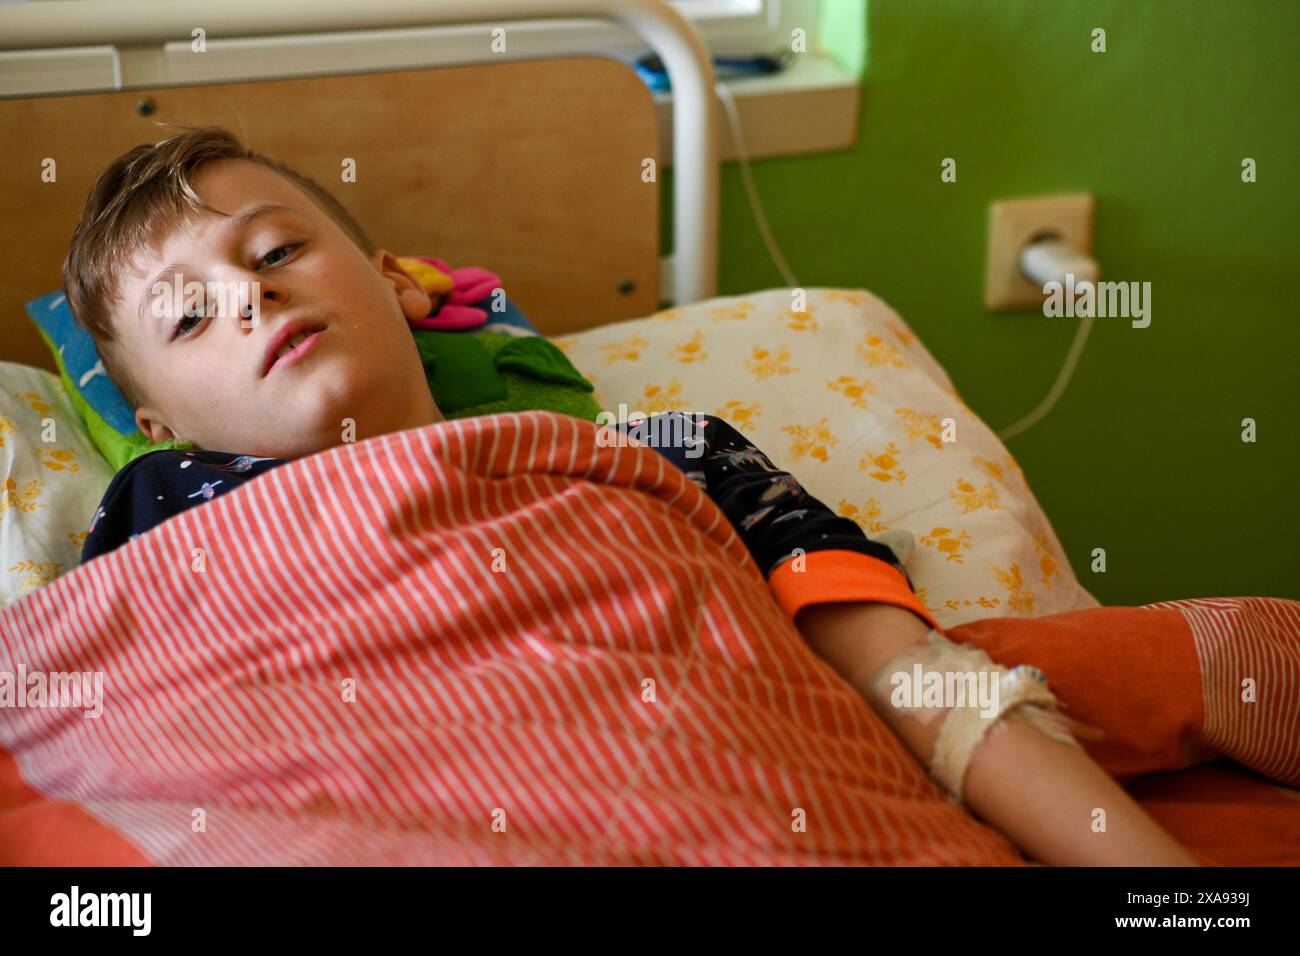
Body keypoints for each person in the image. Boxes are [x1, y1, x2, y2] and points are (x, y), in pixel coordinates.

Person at [63, 125, 1198, 867]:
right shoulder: (160, 514)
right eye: (188, 315)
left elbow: (919, 683)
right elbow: (98, 740)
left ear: (401, 285)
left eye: (273, 251)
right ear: (155, 424)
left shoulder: (660, 453)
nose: (248, 298)